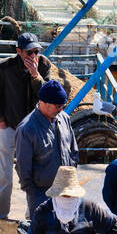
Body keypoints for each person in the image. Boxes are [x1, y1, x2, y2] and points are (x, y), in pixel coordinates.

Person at [0, 33, 51, 219]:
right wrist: (0, 120)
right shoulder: (5, 68)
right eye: (28, 52)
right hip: (9, 125)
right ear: (18, 52)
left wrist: (35, 76)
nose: (33, 56)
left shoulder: (44, 65)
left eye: (36, 51)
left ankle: (33, 214)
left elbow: (46, 96)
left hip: (33, 127)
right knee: (5, 173)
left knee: (34, 173)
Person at [14, 78, 79, 222]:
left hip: (67, 192)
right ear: (43, 103)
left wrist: (71, 182)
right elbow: (23, 168)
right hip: (41, 196)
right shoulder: (27, 129)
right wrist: (35, 196)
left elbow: (73, 151)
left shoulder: (64, 119)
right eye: (57, 106)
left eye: (63, 106)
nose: (61, 109)